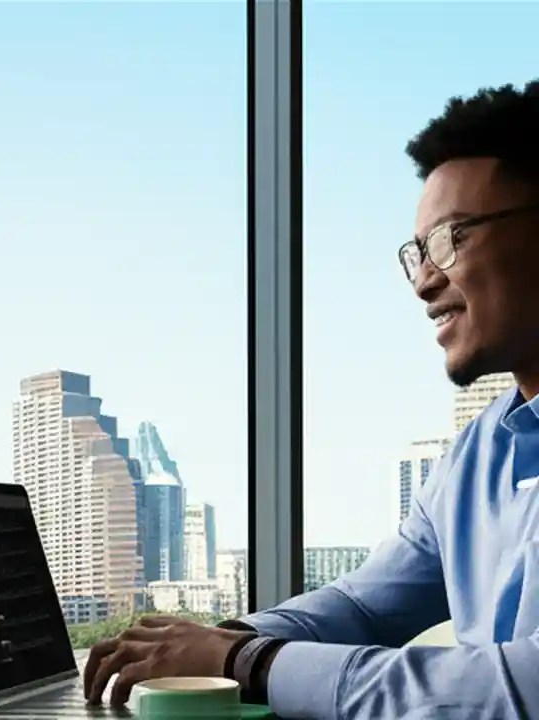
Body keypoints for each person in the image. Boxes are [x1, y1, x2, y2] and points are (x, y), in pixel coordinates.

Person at [83, 80, 539, 719]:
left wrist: (243, 662)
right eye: (416, 253)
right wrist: (209, 644)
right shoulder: (477, 455)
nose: (424, 282)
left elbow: (520, 690)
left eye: (452, 238)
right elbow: (363, 606)